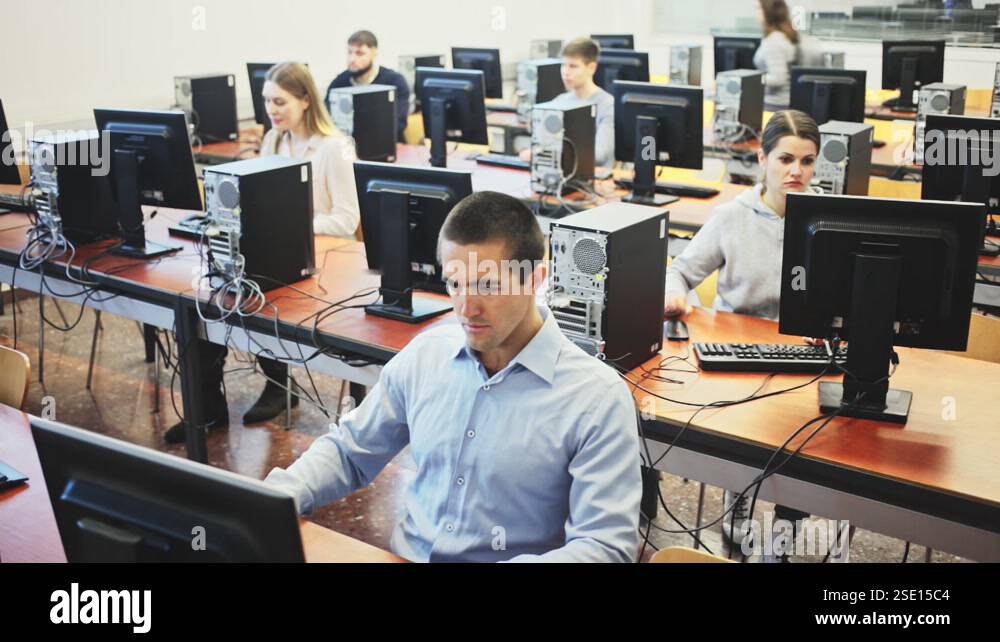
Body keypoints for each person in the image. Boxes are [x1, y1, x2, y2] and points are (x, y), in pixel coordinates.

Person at [264, 191, 643, 562]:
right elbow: (350, 452)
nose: (466, 307)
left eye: (487, 285)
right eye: (455, 283)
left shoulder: (596, 398)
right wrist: (273, 499)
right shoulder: (426, 356)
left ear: (535, 280)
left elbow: (604, 546)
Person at [164, 62, 360, 444]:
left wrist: (295, 223)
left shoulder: (334, 148)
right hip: (276, 252)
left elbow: (348, 219)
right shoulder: (273, 140)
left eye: (280, 102)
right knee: (204, 302)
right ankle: (207, 407)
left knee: (257, 292)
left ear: (305, 100)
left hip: (321, 261)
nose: (271, 109)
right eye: (267, 101)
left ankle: (278, 386)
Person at [664, 109, 819, 553]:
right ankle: (739, 498)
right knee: (746, 433)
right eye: (785, 159)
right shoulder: (732, 216)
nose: (796, 171)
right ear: (763, 159)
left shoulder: (828, 216)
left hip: (802, 352)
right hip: (737, 351)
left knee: (804, 441)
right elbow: (680, 272)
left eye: (807, 161)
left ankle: (786, 528)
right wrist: (675, 295)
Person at [520, 37, 615, 169]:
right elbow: (540, 140)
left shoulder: (607, 105)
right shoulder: (560, 101)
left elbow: (599, 155)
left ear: (591, 68)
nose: (566, 72)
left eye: (573, 66)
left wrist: (545, 154)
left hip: (593, 176)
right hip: (559, 173)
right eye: (563, 65)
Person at [326, 30, 410, 143]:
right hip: (346, 146)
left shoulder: (394, 81)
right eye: (349, 52)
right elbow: (325, 120)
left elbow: (398, 124)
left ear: (374, 53)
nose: (352, 59)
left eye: (359, 53)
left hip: (387, 144)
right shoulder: (339, 83)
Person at [753, 0, 801, 109]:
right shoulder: (784, 36)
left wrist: (752, 79)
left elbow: (778, 78)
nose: (756, 12)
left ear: (768, 11)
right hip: (783, 101)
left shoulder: (774, 40)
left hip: (774, 104)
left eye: (758, 8)